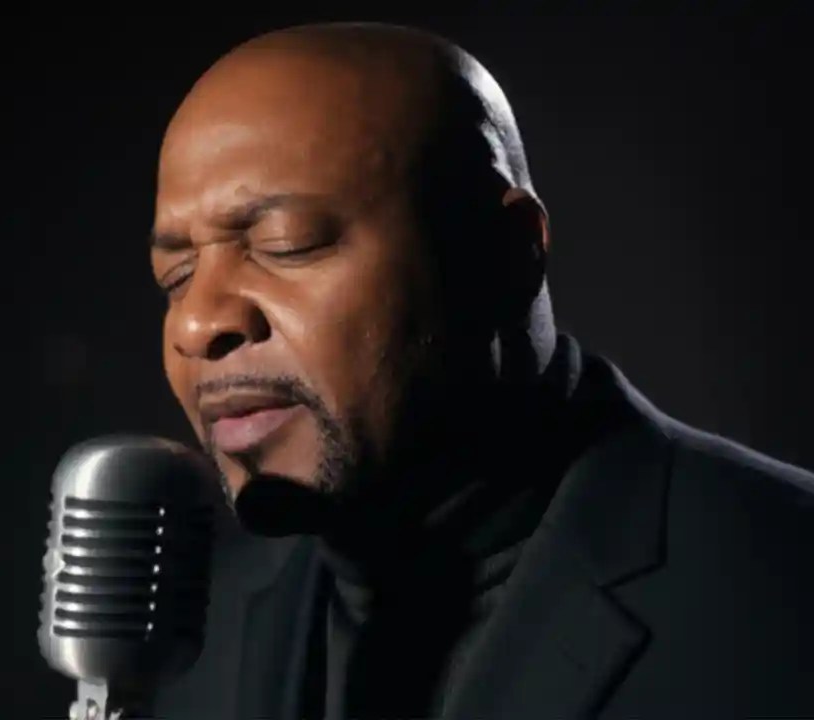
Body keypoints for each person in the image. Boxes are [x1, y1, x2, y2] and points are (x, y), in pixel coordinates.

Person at [143, 22, 814, 719]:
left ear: (504, 254)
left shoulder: (788, 588)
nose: (197, 323)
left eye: (287, 245)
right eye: (176, 276)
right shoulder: (185, 645)